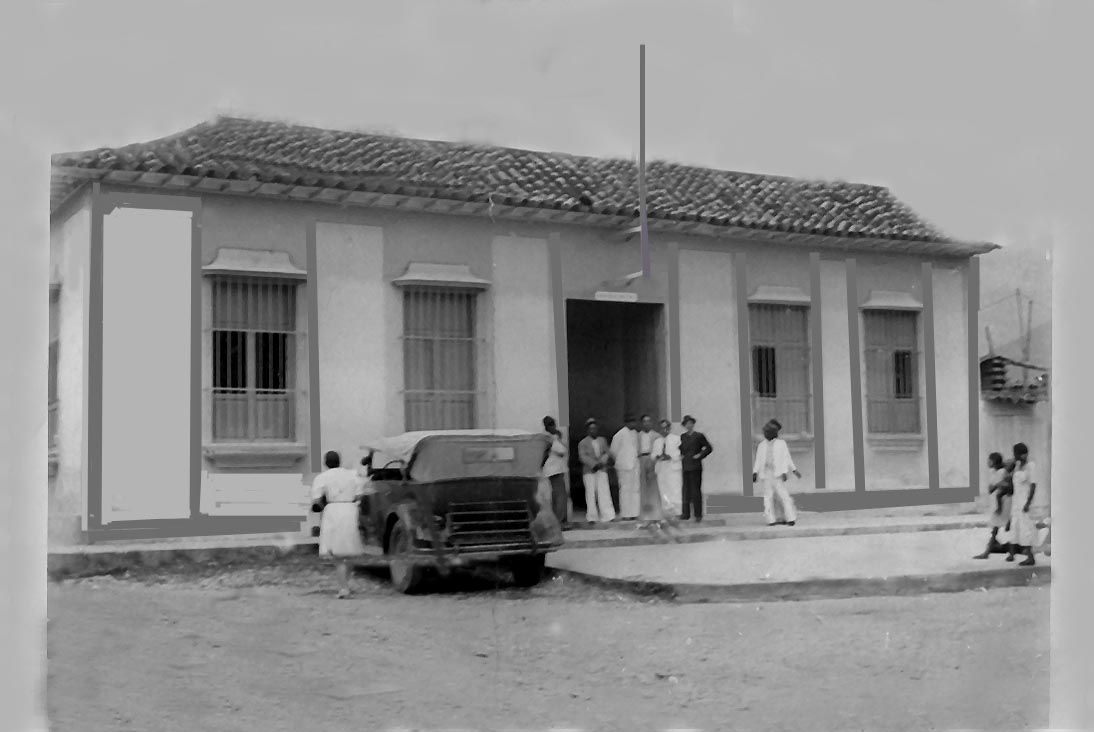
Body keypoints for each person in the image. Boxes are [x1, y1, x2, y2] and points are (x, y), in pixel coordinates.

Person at [310, 450, 369, 598]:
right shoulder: (352, 474)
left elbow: (316, 500)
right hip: (350, 508)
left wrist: (325, 506)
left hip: (333, 509)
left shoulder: (322, 477)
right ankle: (346, 584)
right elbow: (359, 494)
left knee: (337, 552)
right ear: (339, 461)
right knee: (348, 549)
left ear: (325, 462)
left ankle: (343, 588)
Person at [752, 419, 802, 526]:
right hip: (766, 474)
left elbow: (787, 458)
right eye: (765, 432)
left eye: (767, 432)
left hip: (778, 474)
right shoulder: (761, 445)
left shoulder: (781, 444)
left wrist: (792, 470)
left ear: (773, 434)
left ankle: (790, 518)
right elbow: (758, 460)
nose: (765, 434)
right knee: (768, 497)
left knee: (783, 496)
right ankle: (771, 520)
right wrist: (755, 472)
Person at [1004, 442, 1039, 566]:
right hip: (1016, 500)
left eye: (1016, 453)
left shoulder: (1031, 466)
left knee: (1026, 528)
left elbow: (1033, 485)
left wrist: (1028, 503)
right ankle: (1012, 553)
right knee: (1015, 526)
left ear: (1023, 454)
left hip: (1024, 500)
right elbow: (1012, 481)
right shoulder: (1017, 465)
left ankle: (1030, 557)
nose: (1015, 456)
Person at [973, 452, 1012, 559]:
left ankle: (988, 551)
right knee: (998, 527)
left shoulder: (1002, 472)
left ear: (994, 461)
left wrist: (996, 486)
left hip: (1003, 503)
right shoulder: (994, 472)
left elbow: (999, 487)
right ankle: (993, 548)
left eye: (990, 460)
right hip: (997, 502)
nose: (988, 462)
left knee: (996, 527)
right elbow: (991, 489)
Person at [578, 418, 615, 524]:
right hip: (589, 471)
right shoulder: (583, 442)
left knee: (604, 492)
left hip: (602, 469)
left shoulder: (602, 440)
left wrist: (603, 460)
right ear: (587, 430)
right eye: (591, 429)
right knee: (590, 493)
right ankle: (592, 517)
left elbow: (608, 452)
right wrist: (594, 464)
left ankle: (608, 515)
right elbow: (582, 456)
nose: (593, 430)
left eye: (594, 428)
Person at [679, 415, 713, 523]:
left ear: (693, 424)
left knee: (696, 490)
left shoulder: (699, 436)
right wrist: (680, 456)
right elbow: (679, 449)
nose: (689, 425)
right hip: (685, 466)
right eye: (687, 424)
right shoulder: (682, 437)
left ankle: (698, 514)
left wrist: (700, 455)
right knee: (686, 490)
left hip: (695, 466)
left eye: (690, 423)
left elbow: (709, 448)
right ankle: (686, 513)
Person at [542, 416, 571, 529]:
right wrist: (559, 437)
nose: (555, 427)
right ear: (549, 426)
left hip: (553, 469)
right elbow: (562, 451)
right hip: (555, 469)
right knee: (560, 495)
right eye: (553, 425)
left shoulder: (547, 437)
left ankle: (558, 519)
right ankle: (560, 521)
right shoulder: (551, 438)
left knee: (556, 495)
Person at [611, 415, 641, 520]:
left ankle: (634, 513)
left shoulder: (636, 434)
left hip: (634, 466)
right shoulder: (619, 434)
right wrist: (621, 461)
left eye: (634, 422)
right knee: (625, 489)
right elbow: (613, 451)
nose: (633, 424)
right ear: (626, 423)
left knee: (635, 489)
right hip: (624, 466)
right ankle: (626, 514)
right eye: (630, 422)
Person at [652, 419, 683, 518]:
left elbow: (682, 454)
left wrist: (671, 457)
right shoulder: (657, 441)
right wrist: (656, 457)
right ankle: (667, 512)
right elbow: (653, 454)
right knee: (664, 490)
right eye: (662, 428)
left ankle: (677, 512)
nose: (664, 430)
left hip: (673, 467)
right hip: (661, 468)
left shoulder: (677, 439)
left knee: (675, 490)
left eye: (666, 427)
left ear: (669, 428)